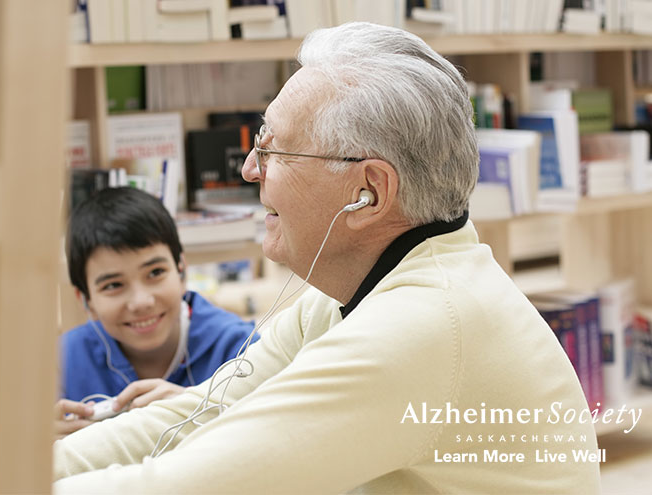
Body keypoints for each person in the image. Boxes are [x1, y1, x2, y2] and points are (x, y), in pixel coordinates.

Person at [52, 22, 601, 493]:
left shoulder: (419, 326)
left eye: (274, 149)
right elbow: (201, 411)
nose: (248, 168)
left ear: (369, 191)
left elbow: (186, 484)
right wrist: (27, 465)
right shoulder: (363, 288)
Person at [55, 187, 258, 438]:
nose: (141, 302)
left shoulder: (242, 349)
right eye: (113, 285)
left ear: (181, 271)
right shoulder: (61, 362)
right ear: (86, 301)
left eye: (155, 273)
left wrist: (196, 408)